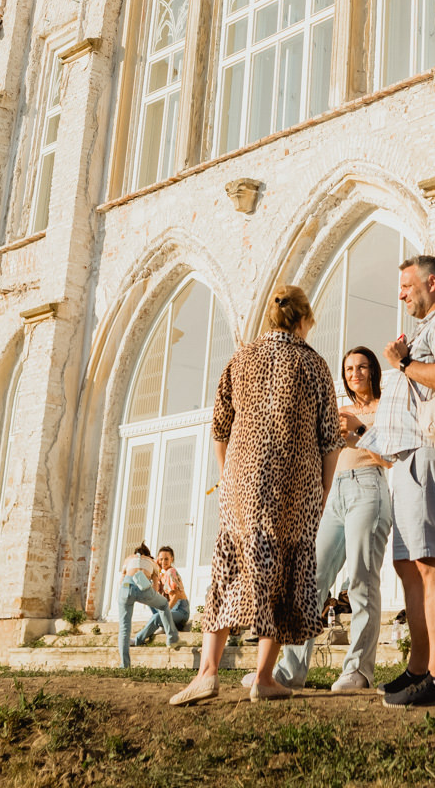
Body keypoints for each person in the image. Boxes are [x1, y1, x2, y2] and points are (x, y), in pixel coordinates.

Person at [169, 286, 340, 706]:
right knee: (285, 572)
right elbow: (330, 440)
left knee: (229, 569)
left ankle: (208, 671)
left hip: (240, 484)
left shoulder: (240, 359)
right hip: (294, 485)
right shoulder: (313, 365)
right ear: (303, 321)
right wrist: (321, 490)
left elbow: (220, 428)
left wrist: (229, 477)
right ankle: (264, 677)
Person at [365, 254, 435, 709]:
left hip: (432, 453)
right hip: (411, 457)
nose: (401, 294)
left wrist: (405, 363)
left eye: (408, 285)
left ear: (433, 282)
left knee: (433, 565)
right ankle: (419, 667)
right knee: (409, 565)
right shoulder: (428, 325)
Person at [269, 346, 394, 693]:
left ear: (373, 371)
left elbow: (390, 458)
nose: (355, 373)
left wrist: (358, 431)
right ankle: (290, 671)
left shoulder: (384, 409)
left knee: (360, 581)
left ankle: (358, 671)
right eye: (349, 368)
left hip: (368, 489)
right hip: (334, 494)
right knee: (311, 580)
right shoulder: (339, 411)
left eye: (362, 367)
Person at [117, 543, 169, 667]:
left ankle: (124, 665)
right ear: (148, 554)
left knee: (124, 627)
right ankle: (163, 623)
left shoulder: (129, 559)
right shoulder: (152, 562)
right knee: (161, 604)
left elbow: (122, 579)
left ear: (136, 553)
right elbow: (155, 587)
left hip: (126, 587)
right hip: (143, 588)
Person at [132, 545, 190, 649]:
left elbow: (175, 595)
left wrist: (165, 613)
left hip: (181, 611)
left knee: (157, 617)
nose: (163, 562)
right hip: (173, 609)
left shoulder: (170, 572)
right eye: (161, 559)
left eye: (166, 559)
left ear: (172, 559)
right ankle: (163, 625)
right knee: (149, 597)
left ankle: (138, 640)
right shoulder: (162, 573)